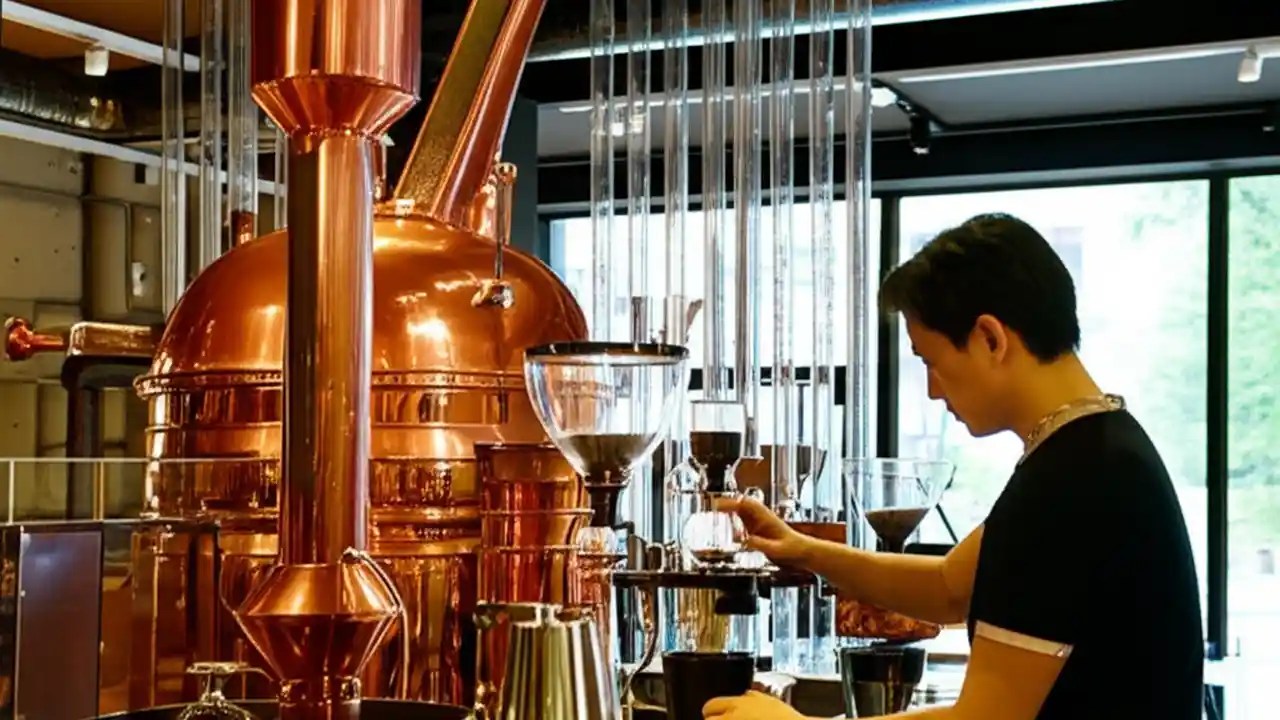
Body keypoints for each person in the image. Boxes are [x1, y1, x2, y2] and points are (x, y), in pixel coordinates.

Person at [703, 213, 1204, 720]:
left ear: (990, 338)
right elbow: (947, 587)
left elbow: (985, 717)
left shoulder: (1073, 482)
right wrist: (806, 551)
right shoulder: (1095, 450)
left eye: (930, 360)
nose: (932, 389)